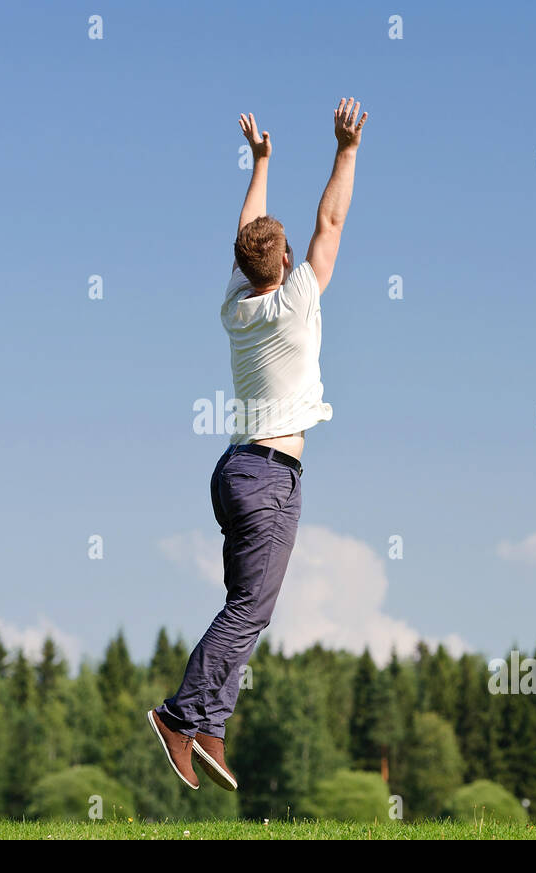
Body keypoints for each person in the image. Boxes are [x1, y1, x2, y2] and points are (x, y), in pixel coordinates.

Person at [147, 98, 369, 790]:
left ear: (245, 267)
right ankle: (180, 715)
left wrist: (261, 161)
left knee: (245, 602)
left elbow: (249, 234)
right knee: (251, 608)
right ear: (283, 262)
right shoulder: (299, 298)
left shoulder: (236, 306)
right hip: (269, 476)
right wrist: (347, 149)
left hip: (234, 470)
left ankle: (211, 724)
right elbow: (329, 221)